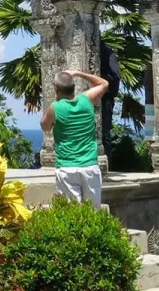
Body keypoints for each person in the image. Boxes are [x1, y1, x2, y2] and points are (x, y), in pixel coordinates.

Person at [40, 69, 109, 208]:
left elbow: (45, 126)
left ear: (56, 89)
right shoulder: (86, 99)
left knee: (72, 214)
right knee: (93, 214)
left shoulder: (55, 108)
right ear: (73, 88)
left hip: (67, 168)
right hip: (90, 166)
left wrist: (56, 98)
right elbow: (104, 83)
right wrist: (78, 73)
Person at [99, 40, 122, 149]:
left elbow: (116, 76)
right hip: (89, 96)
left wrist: (99, 79)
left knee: (104, 132)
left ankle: (107, 160)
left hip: (105, 97)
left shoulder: (107, 52)